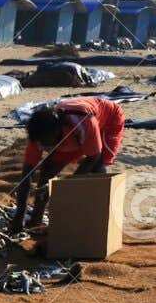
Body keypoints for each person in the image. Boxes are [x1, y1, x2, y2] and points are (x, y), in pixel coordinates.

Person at [12, 95, 126, 231]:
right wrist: (19, 215)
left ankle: (103, 220)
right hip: (73, 137)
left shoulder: (84, 122)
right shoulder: (38, 136)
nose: (43, 149)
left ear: (59, 131)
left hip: (107, 121)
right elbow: (26, 175)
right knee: (47, 170)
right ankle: (36, 220)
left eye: (48, 145)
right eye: (41, 145)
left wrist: (64, 185)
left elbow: (93, 157)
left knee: (98, 168)